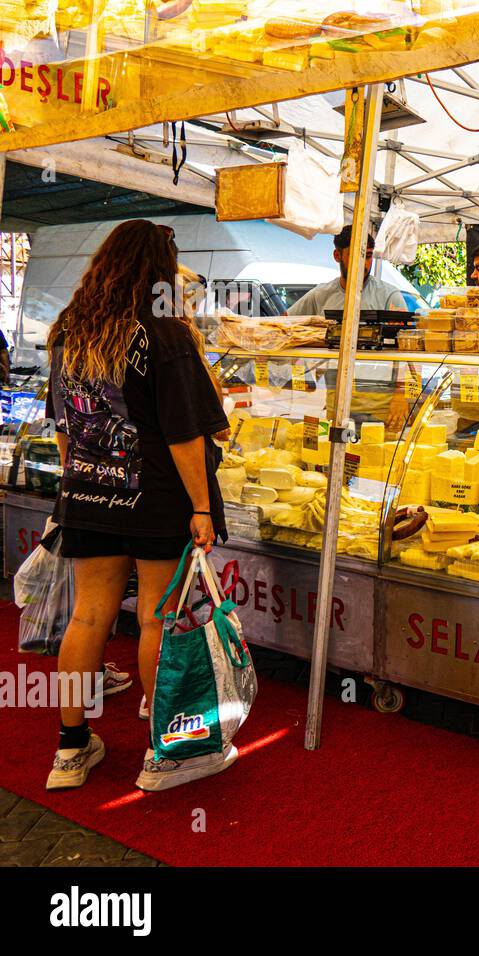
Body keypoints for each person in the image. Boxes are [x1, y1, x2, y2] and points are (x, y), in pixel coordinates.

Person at [43, 219, 233, 794]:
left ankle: (71, 750)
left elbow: (64, 428)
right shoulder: (165, 336)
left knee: (88, 617)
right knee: (156, 617)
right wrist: (201, 506)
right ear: (158, 270)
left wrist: (81, 478)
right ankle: (162, 751)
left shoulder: (69, 331)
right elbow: (185, 435)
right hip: (153, 499)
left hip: (86, 492)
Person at [287, 224, 407, 315]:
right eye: (356, 256)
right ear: (337, 256)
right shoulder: (320, 294)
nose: (363, 264)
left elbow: (405, 339)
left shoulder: (389, 297)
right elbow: (283, 321)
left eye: (368, 256)